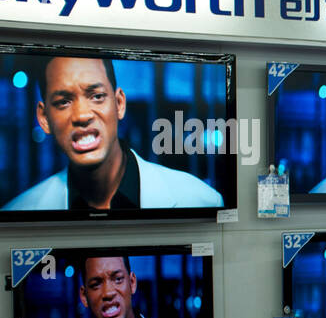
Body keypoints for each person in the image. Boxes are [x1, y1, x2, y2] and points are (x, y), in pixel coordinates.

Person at [5, 56, 224, 211]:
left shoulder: (200, 199)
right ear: (44, 119)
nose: (82, 115)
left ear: (119, 104)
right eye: (63, 102)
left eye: (97, 96)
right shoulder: (18, 211)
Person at [66, 255, 202, 318]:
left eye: (118, 279)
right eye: (96, 284)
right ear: (84, 297)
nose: (108, 293)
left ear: (132, 283)